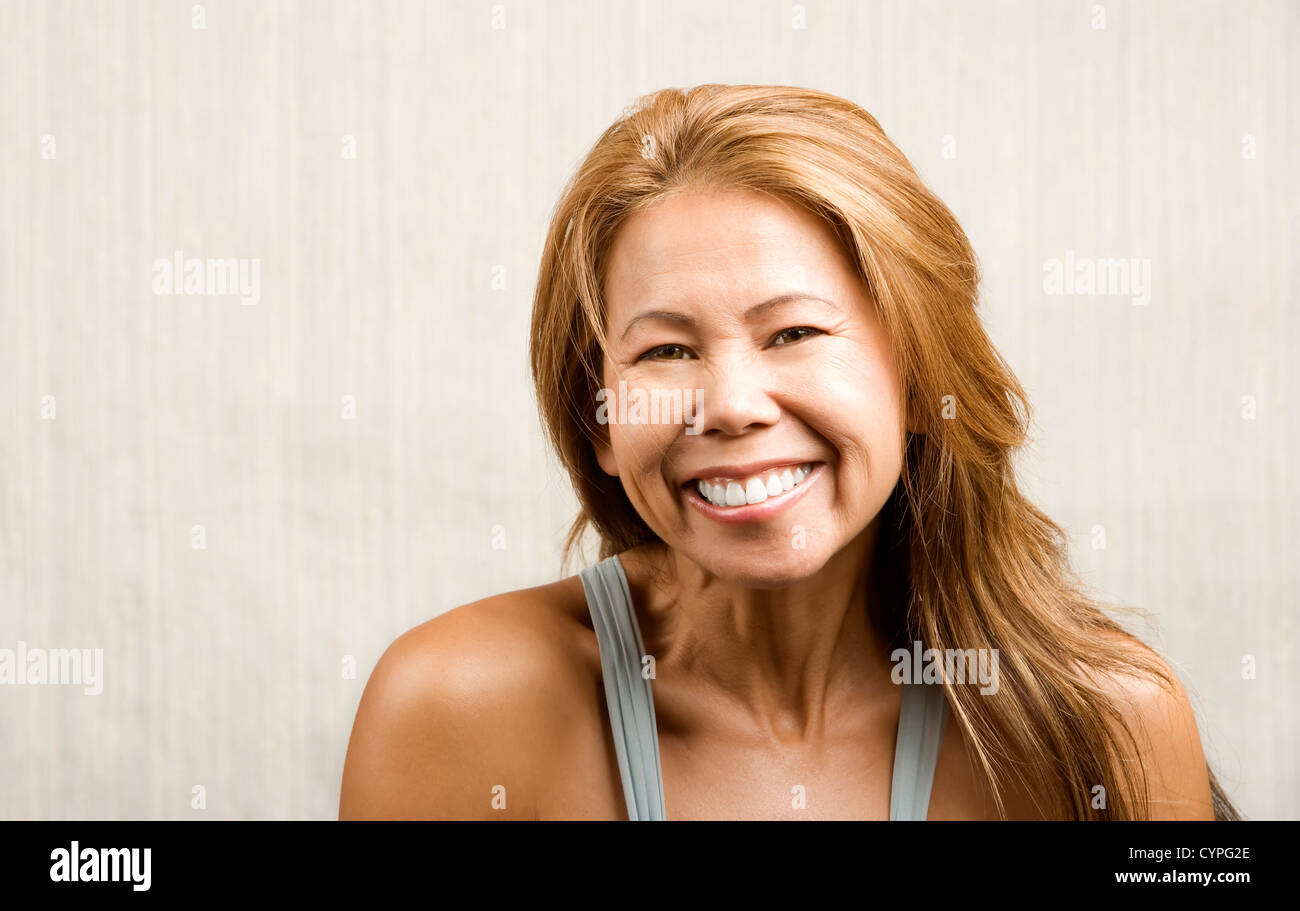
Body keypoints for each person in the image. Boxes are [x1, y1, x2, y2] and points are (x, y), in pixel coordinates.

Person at [339, 84, 1238, 820]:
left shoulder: (1108, 718)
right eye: (665, 351)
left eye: (795, 332)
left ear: (922, 376)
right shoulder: (455, 704)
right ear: (601, 419)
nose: (730, 406)